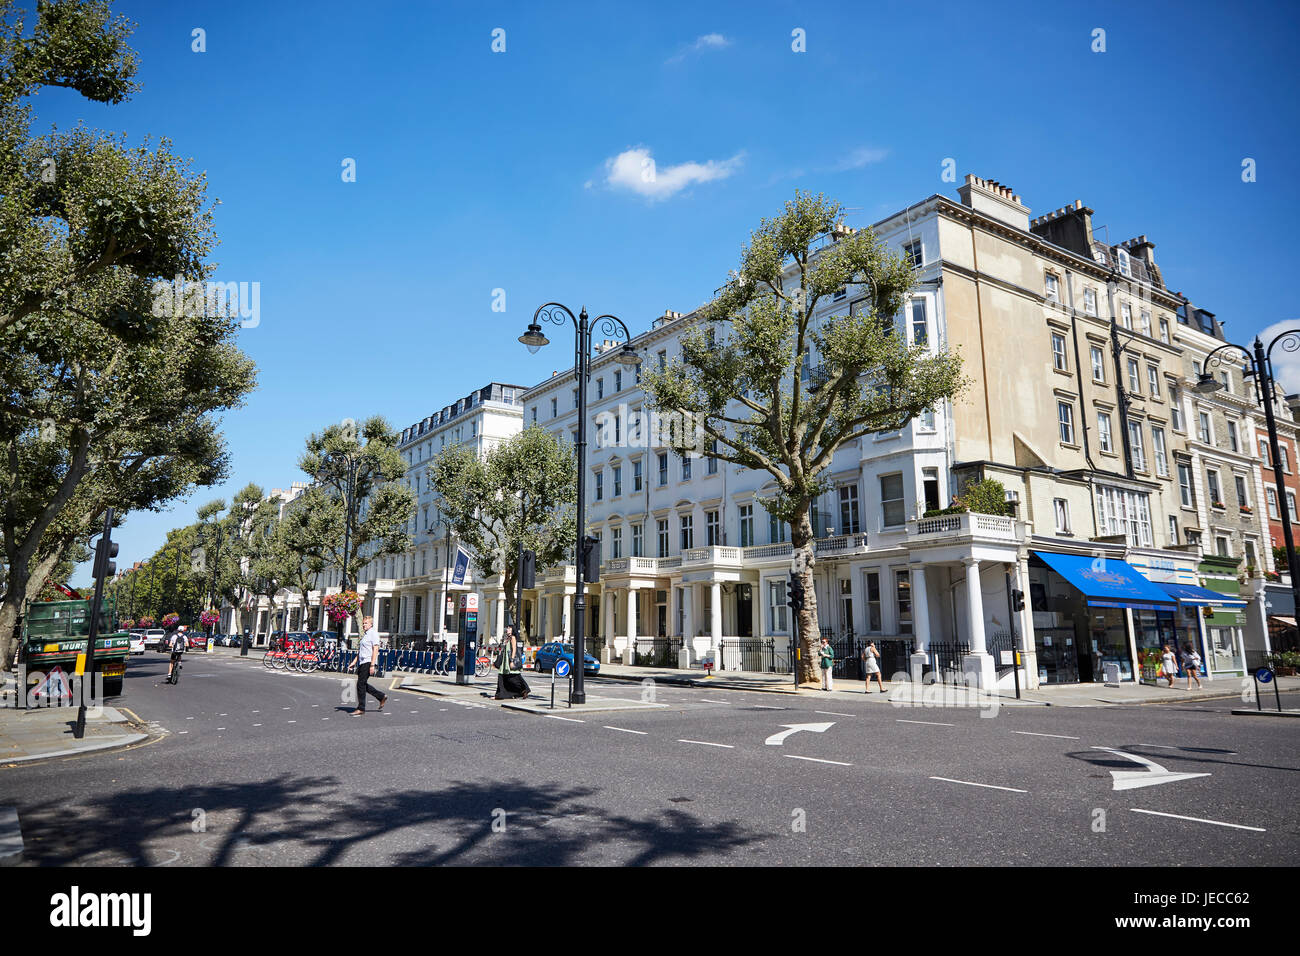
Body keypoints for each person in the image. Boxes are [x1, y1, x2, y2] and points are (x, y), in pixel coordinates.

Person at [351, 615, 388, 716]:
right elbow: (361, 651)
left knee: (360, 684)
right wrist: (354, 662)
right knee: (362, 684)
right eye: (363, 623)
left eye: (366, 623)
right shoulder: (365, 635)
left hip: (368, 662)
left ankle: (361, 708)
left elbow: (375, 649)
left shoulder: (373, 634)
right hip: (362, 662)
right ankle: (381, 696)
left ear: (371, 624)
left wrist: (372, 665)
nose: (363, 625)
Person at [495, 625, 531, 700]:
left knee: (514, 677)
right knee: (504, 676)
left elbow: (514, 649)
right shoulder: (507, 638)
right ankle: (500, 695)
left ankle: (524, 690)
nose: (507, 629)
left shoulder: (513, 638)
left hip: (509, 661)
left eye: (509, 628)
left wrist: (511, 661)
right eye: (507, 628)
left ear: (512, 630)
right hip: (505, 661)